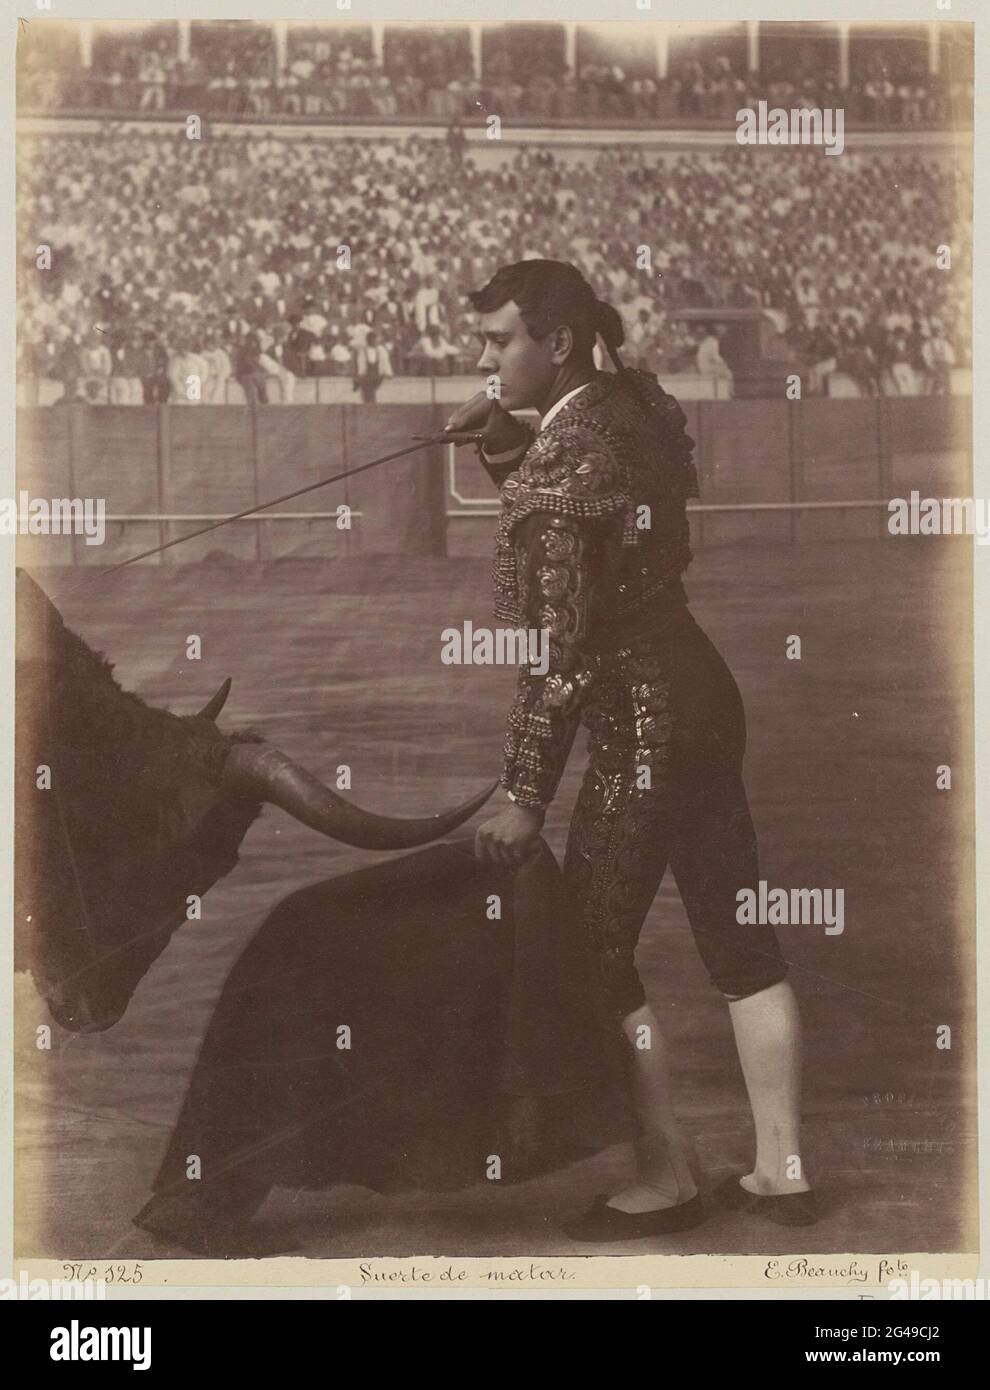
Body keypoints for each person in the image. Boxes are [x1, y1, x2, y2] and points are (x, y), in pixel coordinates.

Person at [444, 259, 815, 1240]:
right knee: (739, 939)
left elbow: (559, 649)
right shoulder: (635, 399)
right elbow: (605, 501)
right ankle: (783, 1170)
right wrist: (507, 451)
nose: (483, 361)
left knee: (592, 948)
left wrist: (526, 790)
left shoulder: (565, 462)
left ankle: (664, 1176)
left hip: (643, 717)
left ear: (553, 342)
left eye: (497, 342)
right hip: (700, 688)